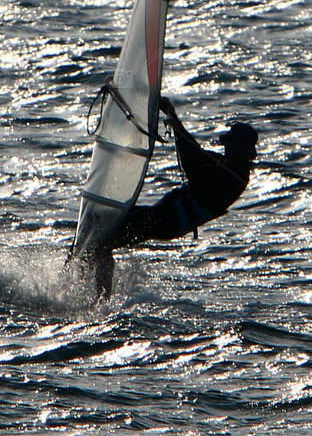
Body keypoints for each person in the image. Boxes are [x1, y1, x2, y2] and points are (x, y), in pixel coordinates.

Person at [81, 97, 258, 301]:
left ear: (242, 148)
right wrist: (173, 118)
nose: (225, 147)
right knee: (105, 222)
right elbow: (196, 153)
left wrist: (174, 120)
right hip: (163, 215)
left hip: (167, 221)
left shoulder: (233, 178)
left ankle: (101, 301)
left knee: (104, 244)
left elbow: (193, 163)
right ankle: (91, 280)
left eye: (230, 144)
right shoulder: (229, 164)